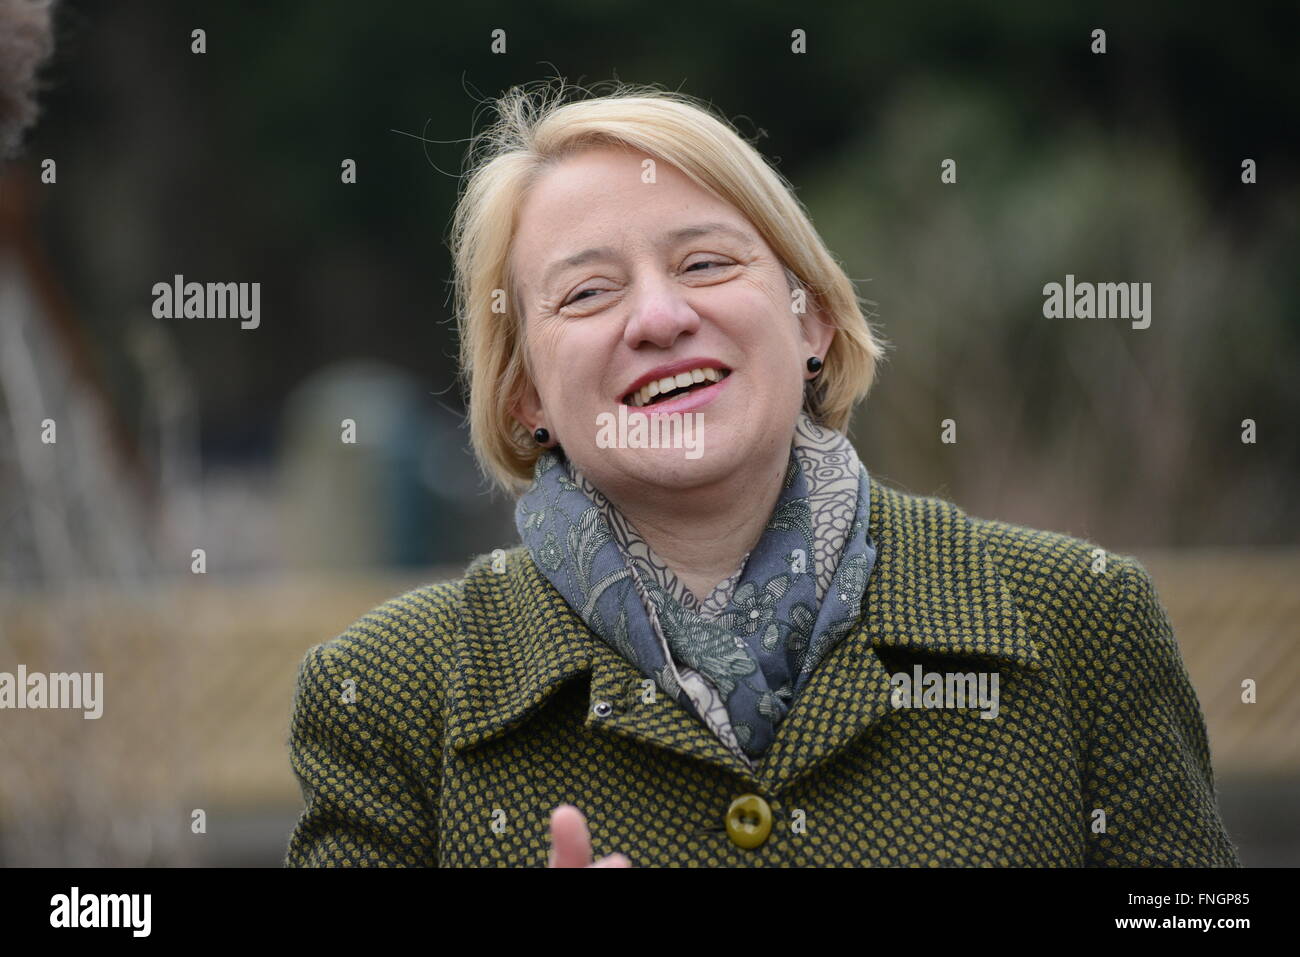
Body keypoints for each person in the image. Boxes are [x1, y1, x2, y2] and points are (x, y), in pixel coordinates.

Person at [284, 80, 1240, 867]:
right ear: (524, 394)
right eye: (587, 292)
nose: (658, 317)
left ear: (811, 319)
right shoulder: (385, 696)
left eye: (705, 263)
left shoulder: (1081, 621)